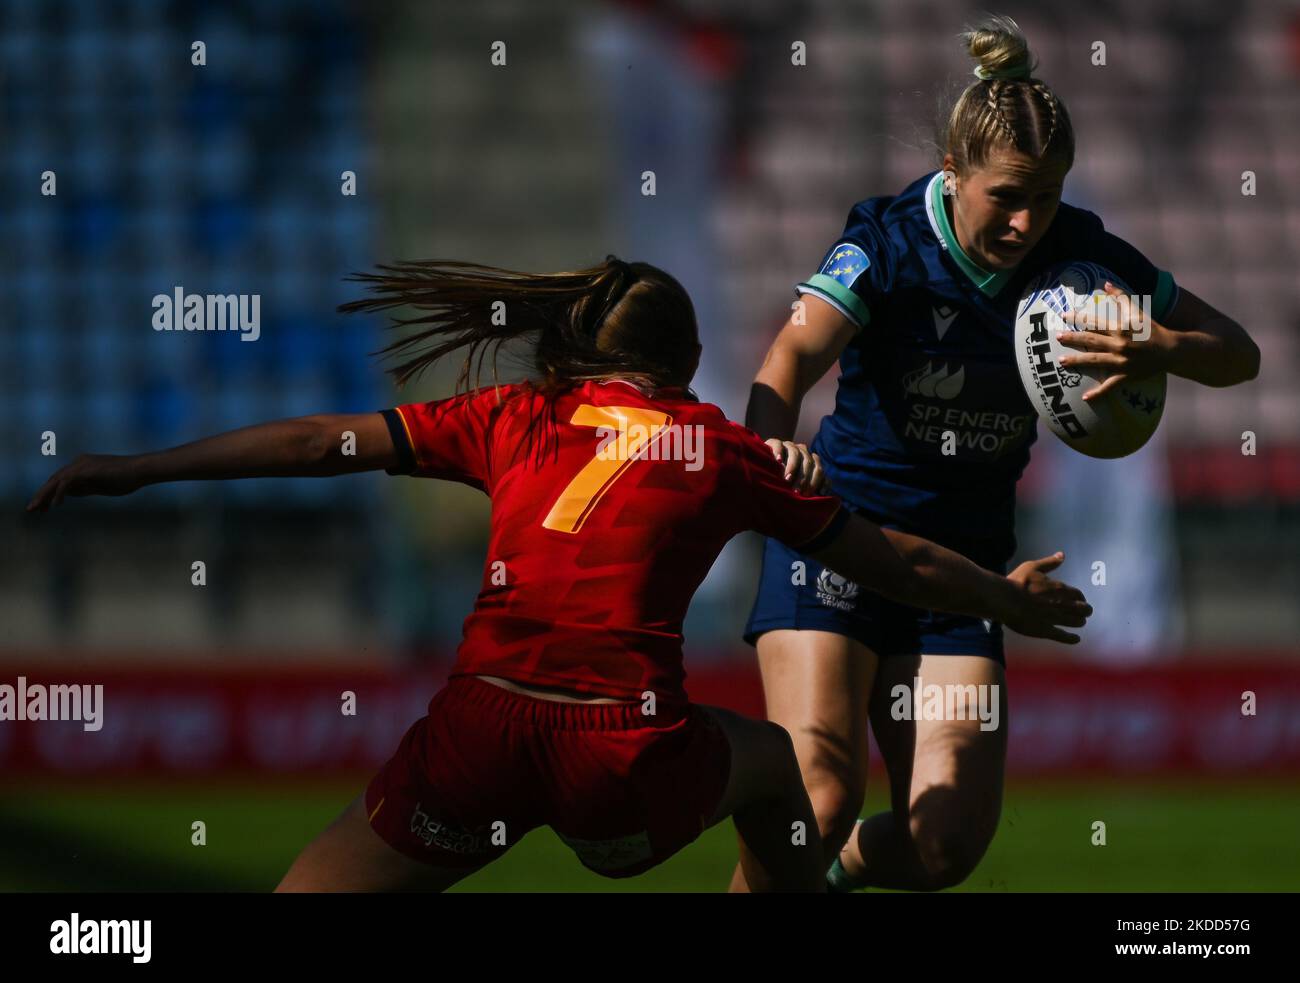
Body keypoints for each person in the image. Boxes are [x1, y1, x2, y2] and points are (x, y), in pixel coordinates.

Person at [28, 256, 1091, 892]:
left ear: (579, 349)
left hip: (476, 736)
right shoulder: (716, 449)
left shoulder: (512, 414)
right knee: (782, 764)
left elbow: (316, 442)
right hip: (618, 763)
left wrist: (136, 468)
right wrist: (1006, 595)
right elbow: (893, 557)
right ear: (683, 362)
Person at [740, 15, 1260, 892]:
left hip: (961, 577)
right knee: (820, 798)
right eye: (1008, 196)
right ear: (954, 173)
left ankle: (837, 875)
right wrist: (771, 454)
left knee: (944, 846)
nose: (1027, 220)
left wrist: (1159, 346)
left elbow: (1237, 350)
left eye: (1047, 197)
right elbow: (789, 357)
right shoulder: (886, 240)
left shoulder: (1082, 255)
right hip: (837, 545)